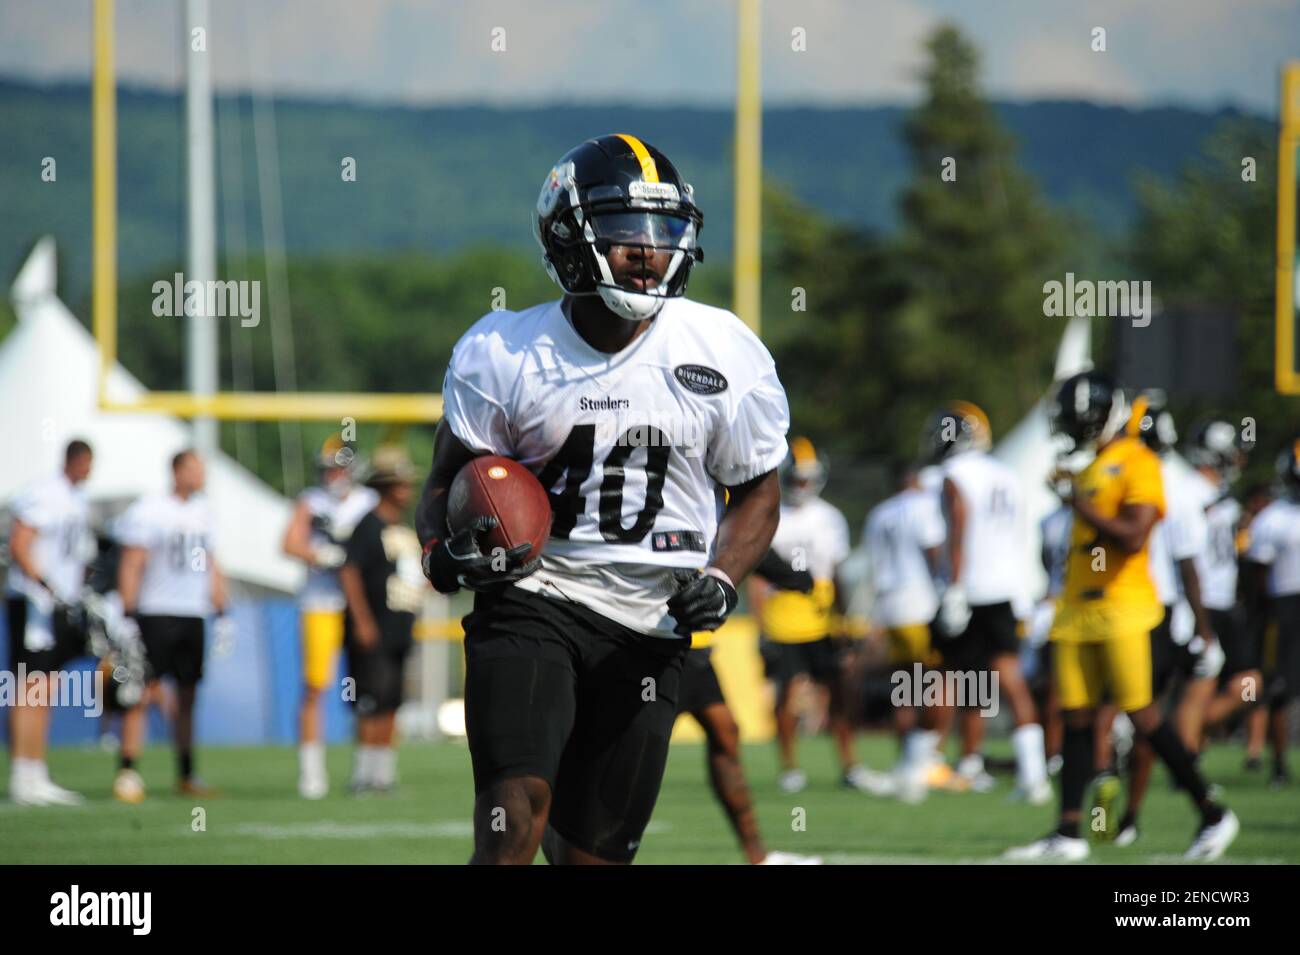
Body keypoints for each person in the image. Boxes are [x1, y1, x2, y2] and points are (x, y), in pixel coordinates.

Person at [416, 134, 789, 864]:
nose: (648, 251)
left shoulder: (723, 348)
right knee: (513, 809)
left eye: (663, 233)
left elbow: (757, 491)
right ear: (569, 238)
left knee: (592, 854)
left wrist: (722, 576)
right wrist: (439, 550)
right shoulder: (507, 353)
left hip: (652, 619)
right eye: (624, 235)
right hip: (534, 596)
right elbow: (443, 482)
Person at [1006, 372, 1237, 861]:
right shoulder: (1097, 463)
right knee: (1074, 719)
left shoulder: (1137, 461)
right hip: (1078, 609)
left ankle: (1212, 811)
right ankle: (1068, 832)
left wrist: (1077, 503)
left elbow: (1134, 535)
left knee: (1143, 714)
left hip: (1124, 608)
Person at [921, 401, 1050, 803]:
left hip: (974, 586)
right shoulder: (1006, 475)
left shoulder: (954, 473)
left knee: (947, 675)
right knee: (1004, 677)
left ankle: (926, 760)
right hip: (1008, 587)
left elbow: (960, 524)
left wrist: (954, 587)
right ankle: (1031, 773)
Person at [677, 550, 820, 864]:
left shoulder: (714, 510)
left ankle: (757, 856)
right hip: (653, 646)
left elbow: (742, 538)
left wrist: (784, 573)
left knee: (725, 732)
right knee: (629, 751)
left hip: (692, 650)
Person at [114, 450, 227, 801]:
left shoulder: (203, 513)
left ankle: (186, 773)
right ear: (177, 471)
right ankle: (128, 770)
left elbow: (211, 563)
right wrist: (127, 611)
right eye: (195, 467)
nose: (202, 474)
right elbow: (133, 562)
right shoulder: (150, 510)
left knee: (188, 694)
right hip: (156, 610)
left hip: (192, 611)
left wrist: (223, 610)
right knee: (142, 692)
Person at [756, 438, 864, 793]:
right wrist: (762, 627)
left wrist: (844, 623)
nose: (802, 486)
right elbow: (758, 579)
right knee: (787, 694)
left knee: (838, 692)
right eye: (797, 478)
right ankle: (789, 768)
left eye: (808, 479)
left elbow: (836, 573)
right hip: (784, 615)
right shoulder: (771, 513)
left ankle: (850, 765)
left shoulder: (829, 517)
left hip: (821, 615)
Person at [282, 436, 378, 799]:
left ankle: (366, 769)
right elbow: (289, 542)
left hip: (362, 606)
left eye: (337, 467)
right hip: (321, 601)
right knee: (315, 686)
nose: (331, 474)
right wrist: (319, 555)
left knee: (368, 689)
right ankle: (311, 772)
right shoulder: (312, 500)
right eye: (327, 468)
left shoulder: (367, 502)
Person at [5, 439, 94, 806]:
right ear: (75, 461)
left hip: (57, 604)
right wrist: (43, 584)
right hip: (34, 604)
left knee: (48, 686)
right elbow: (20, 543)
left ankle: (36, 770)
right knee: (29, 688)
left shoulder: (76, 498)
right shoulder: (44, 493)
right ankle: (22, 775)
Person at [338, 447, 426, 794]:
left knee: (392, 701)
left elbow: (414, 576)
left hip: (401, 624)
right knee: (370, 700)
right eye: (401, 484)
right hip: (374, 623)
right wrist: (361, 620)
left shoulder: (402, 529)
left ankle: (383, 774)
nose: (407, 491)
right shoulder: (368, 525)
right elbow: (349, 571)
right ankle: (363, 773)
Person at [862, 458, 948, 802]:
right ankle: (927, 760)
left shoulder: (880, 513)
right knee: (942, 681)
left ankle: (907, 761)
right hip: (923, 604)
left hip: (891, 607)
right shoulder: (925, 507)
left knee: (905, 688)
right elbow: (933, 551)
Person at [1241, 438, 1300, 787]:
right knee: (1278, 687)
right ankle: (1278, 762)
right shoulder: (1273, 518)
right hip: (1284, 609)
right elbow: (1257, 576)